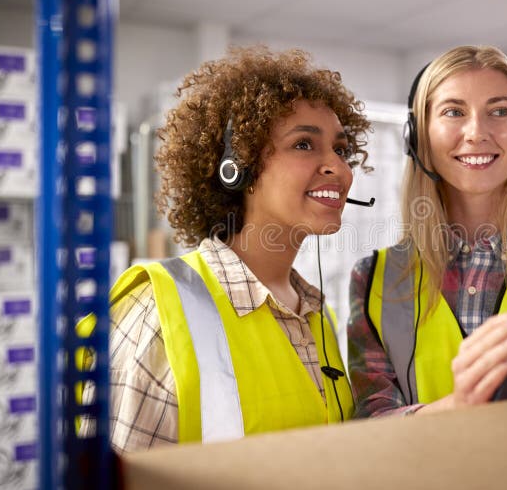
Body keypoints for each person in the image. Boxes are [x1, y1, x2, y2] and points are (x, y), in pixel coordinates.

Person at [92, 46, 370, 452]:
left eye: (341, 150)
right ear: (236, 168)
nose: (340, 168)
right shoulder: (159, 311)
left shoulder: (315, 312)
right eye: (305, 145)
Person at [347, 45, 507, 417]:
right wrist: (460, 406)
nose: (477, 132)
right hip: (426, 475)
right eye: (453, 112)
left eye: (499, 111)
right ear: (417, 137)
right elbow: (372, 421)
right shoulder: (373, 280)